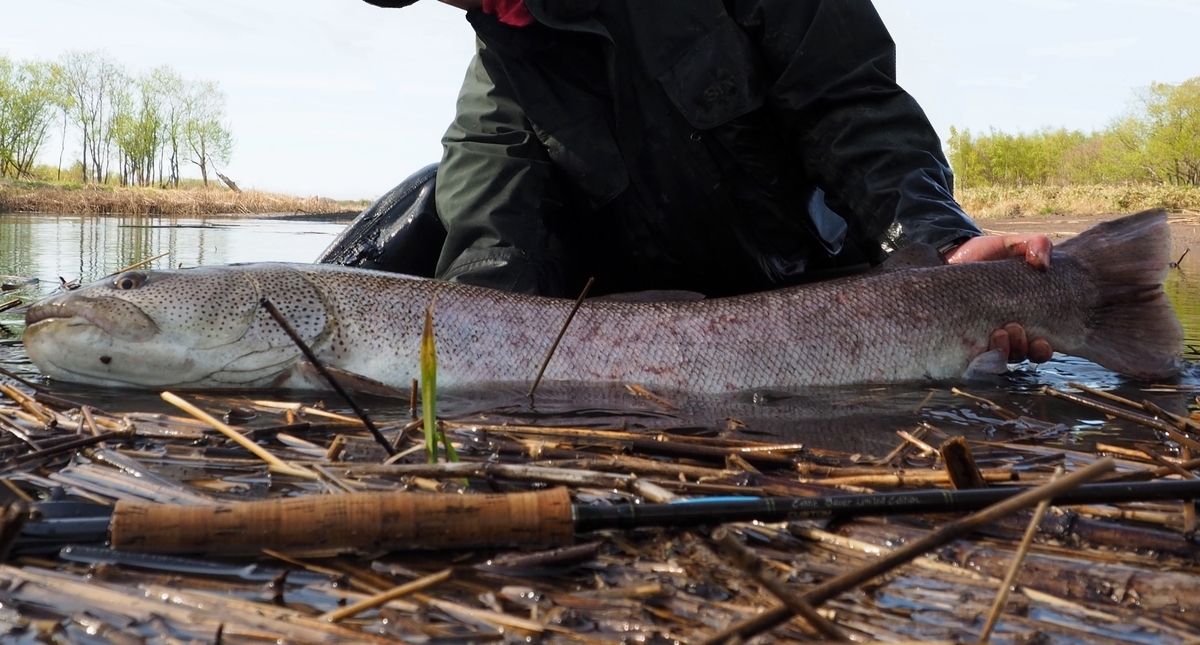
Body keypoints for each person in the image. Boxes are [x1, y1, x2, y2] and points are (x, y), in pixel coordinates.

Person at [343, 0, 1053, 363]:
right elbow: (491, 275)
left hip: (821, 297)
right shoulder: (497, 91)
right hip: (662, 331)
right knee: (430, 198)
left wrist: (938, 243)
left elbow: (850, 103)